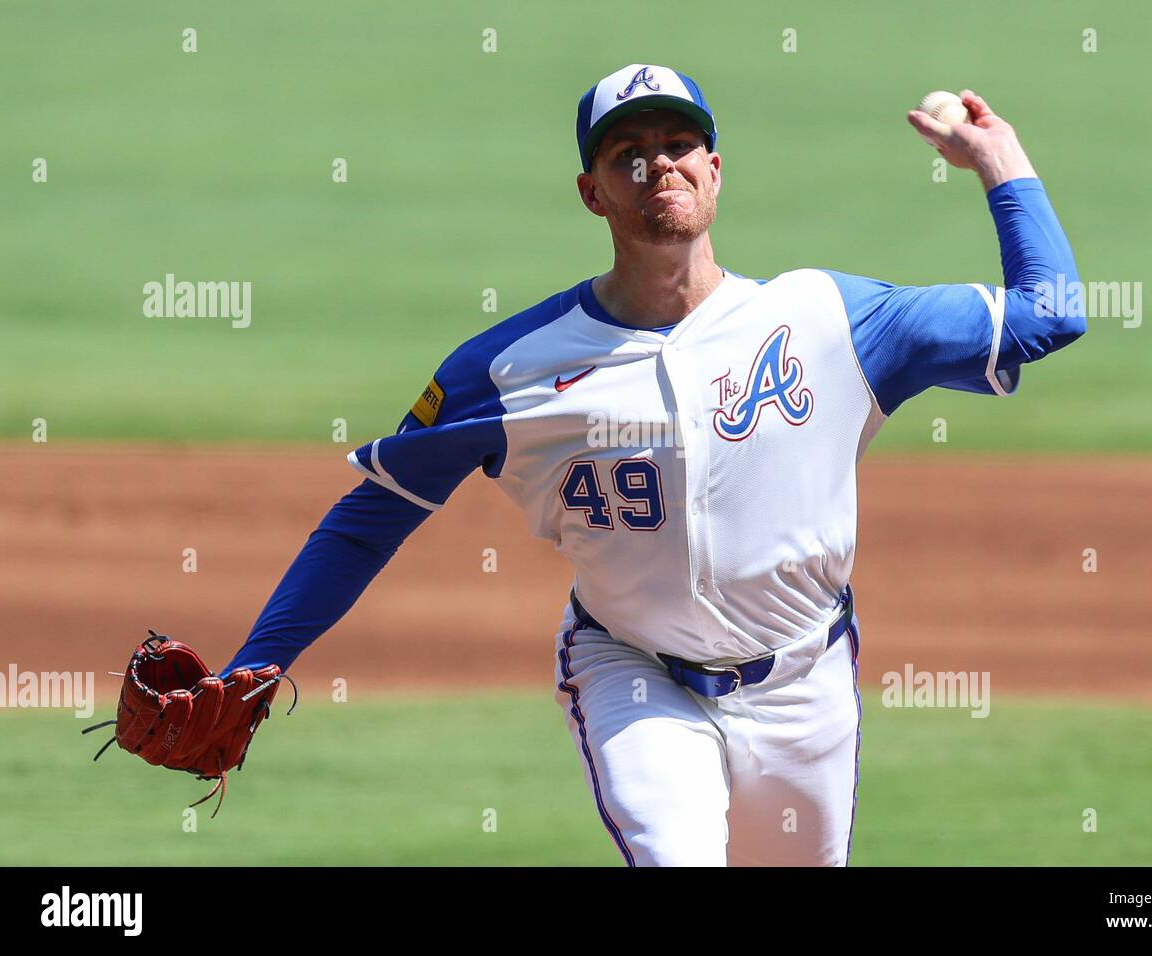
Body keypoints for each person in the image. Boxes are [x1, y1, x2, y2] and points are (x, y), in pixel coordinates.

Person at [221, 63, 1085, 866]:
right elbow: (371, 517)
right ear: (591, 194)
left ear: (715, 169)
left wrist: (1000, 162)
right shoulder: (510, 367)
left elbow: (1050, 314)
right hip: (632, 675)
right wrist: (255, 667)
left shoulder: (829, 319)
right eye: (628, 154)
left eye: (677, 145)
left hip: (805, 683)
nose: (657, 165)